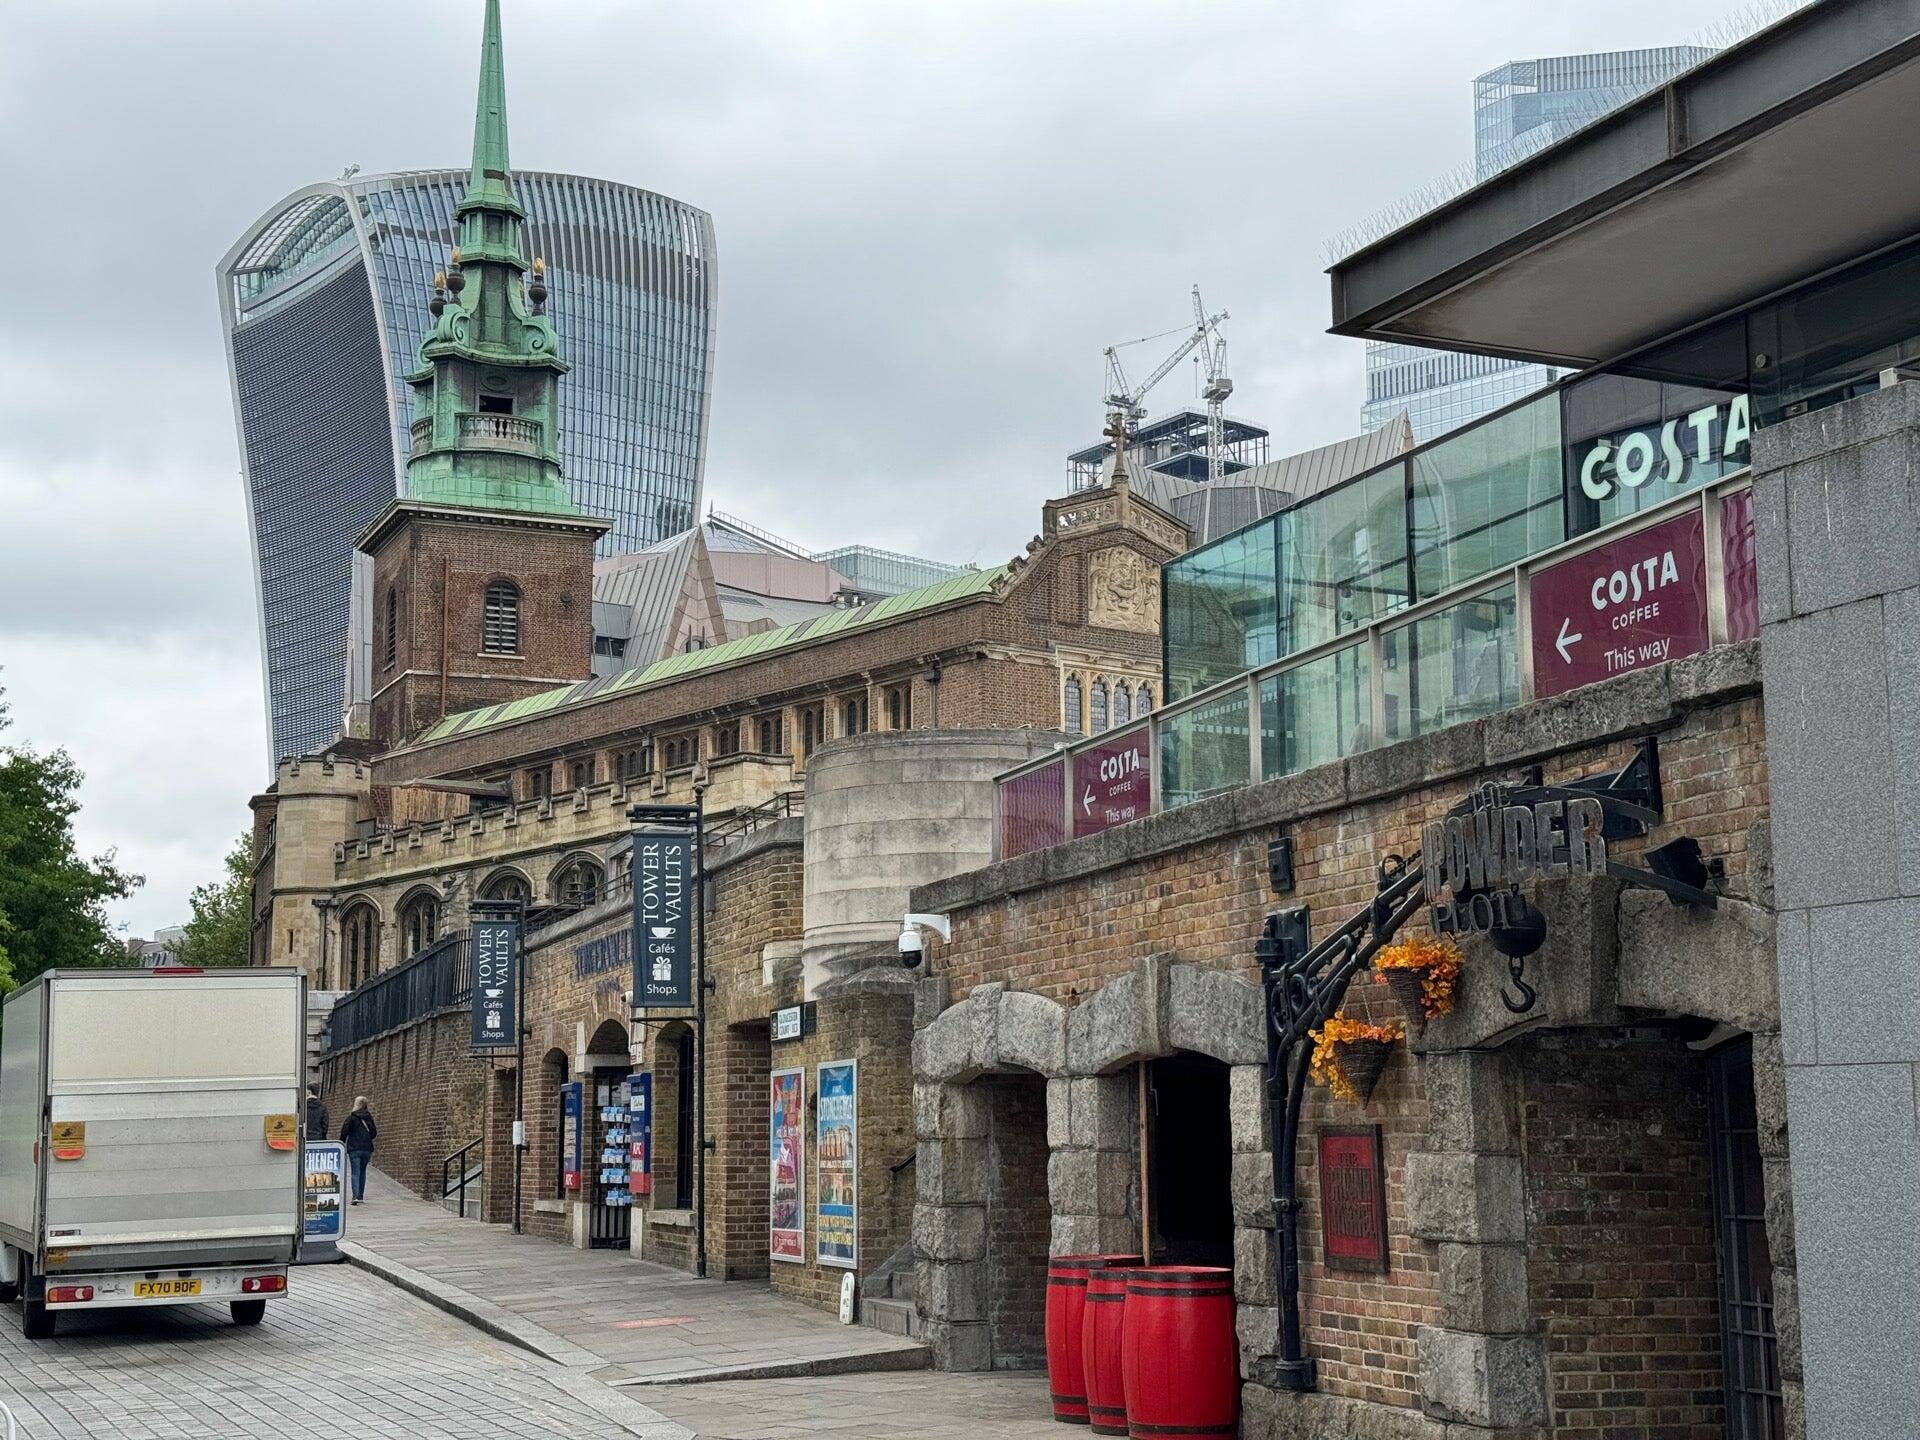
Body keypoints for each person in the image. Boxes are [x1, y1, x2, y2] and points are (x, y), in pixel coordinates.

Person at [340, 1096, 377, 1205]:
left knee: (355, 1172)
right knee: (362, 1171)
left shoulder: (351, 1117)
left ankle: (355, 1196)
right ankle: (360, 1196)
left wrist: (341, 1142)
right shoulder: (369, 1117)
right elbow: (374, 1133)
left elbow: (344, 1132)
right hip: (367, 1148)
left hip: (354, 1148)